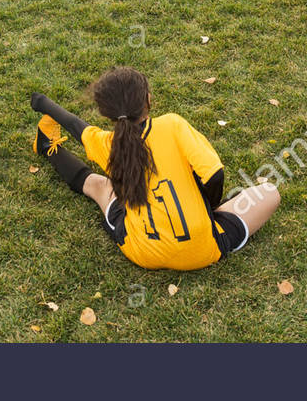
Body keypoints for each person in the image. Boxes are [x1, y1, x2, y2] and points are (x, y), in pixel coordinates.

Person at [29, 67, 279, 271]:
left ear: (107, 114)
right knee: (269, 192)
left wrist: (44, 103)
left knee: (100, 185)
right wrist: (209, 209)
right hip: (204, 249)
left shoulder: (108, 144)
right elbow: (215, 175)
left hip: (143, 252)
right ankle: (214, 216)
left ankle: (45, 146)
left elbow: (77, 126)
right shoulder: (172, 125)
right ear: (148, 100)